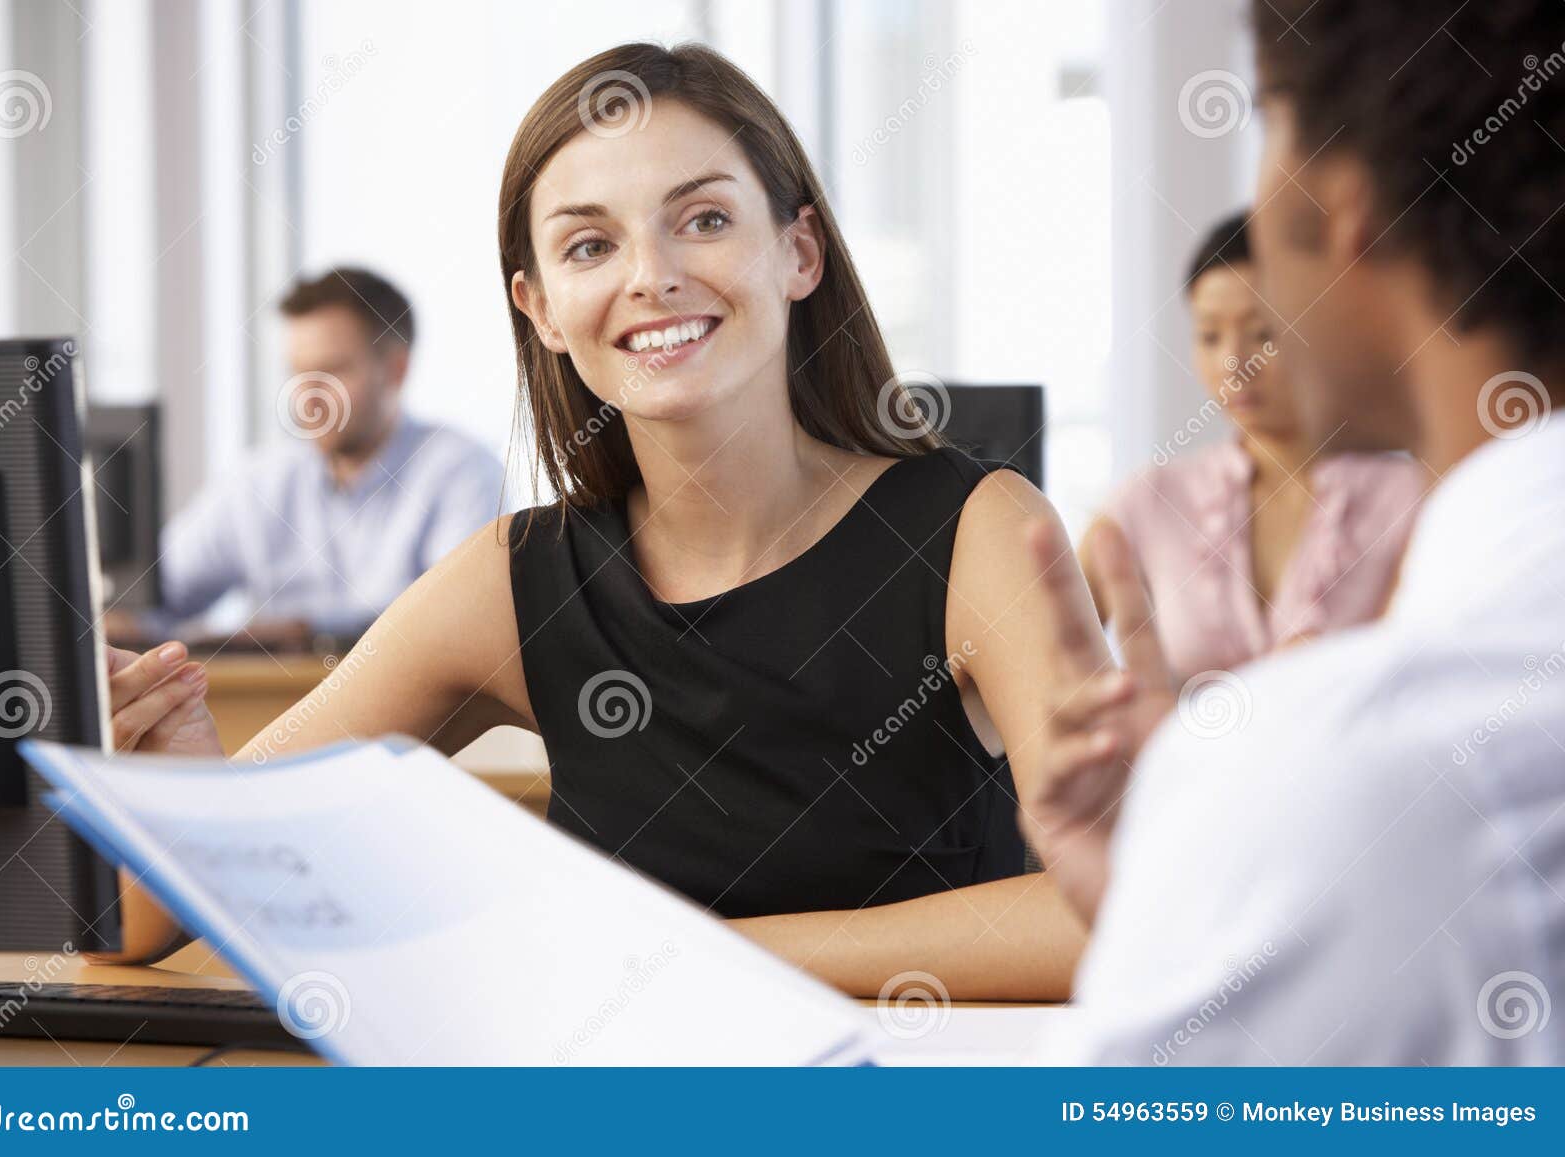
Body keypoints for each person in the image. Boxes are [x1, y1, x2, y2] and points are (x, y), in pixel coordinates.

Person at [94, 43, 1098, 999]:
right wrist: (186, 802)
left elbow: (1117, 910)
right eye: (589, 244)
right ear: (540, 307)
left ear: (798, 251)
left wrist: (705, 956)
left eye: (702, 220)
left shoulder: (978, 533)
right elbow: (136, 921)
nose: (648, 275)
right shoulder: (513, 578)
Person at [1027, 0, 1565, 1063]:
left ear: (1341, 200)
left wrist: (1230, 850)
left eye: (1266, 126)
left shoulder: (1347, 773)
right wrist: (1174, 903)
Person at [1082, 212, 1427, 678]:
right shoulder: (1152, 499)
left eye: (1263, 333)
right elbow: (1048, 669)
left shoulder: (1412, 496)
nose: (1233, 362)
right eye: (1209, 335)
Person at [156, 267, 508, 640]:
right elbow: (155, 594)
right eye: (299, 372)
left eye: (331, 371)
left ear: (395, 370)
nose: (309, 397)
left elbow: (458, 622)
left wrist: (307, 631)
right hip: (275, 699)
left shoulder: (462, 472)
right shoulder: (259, 482)